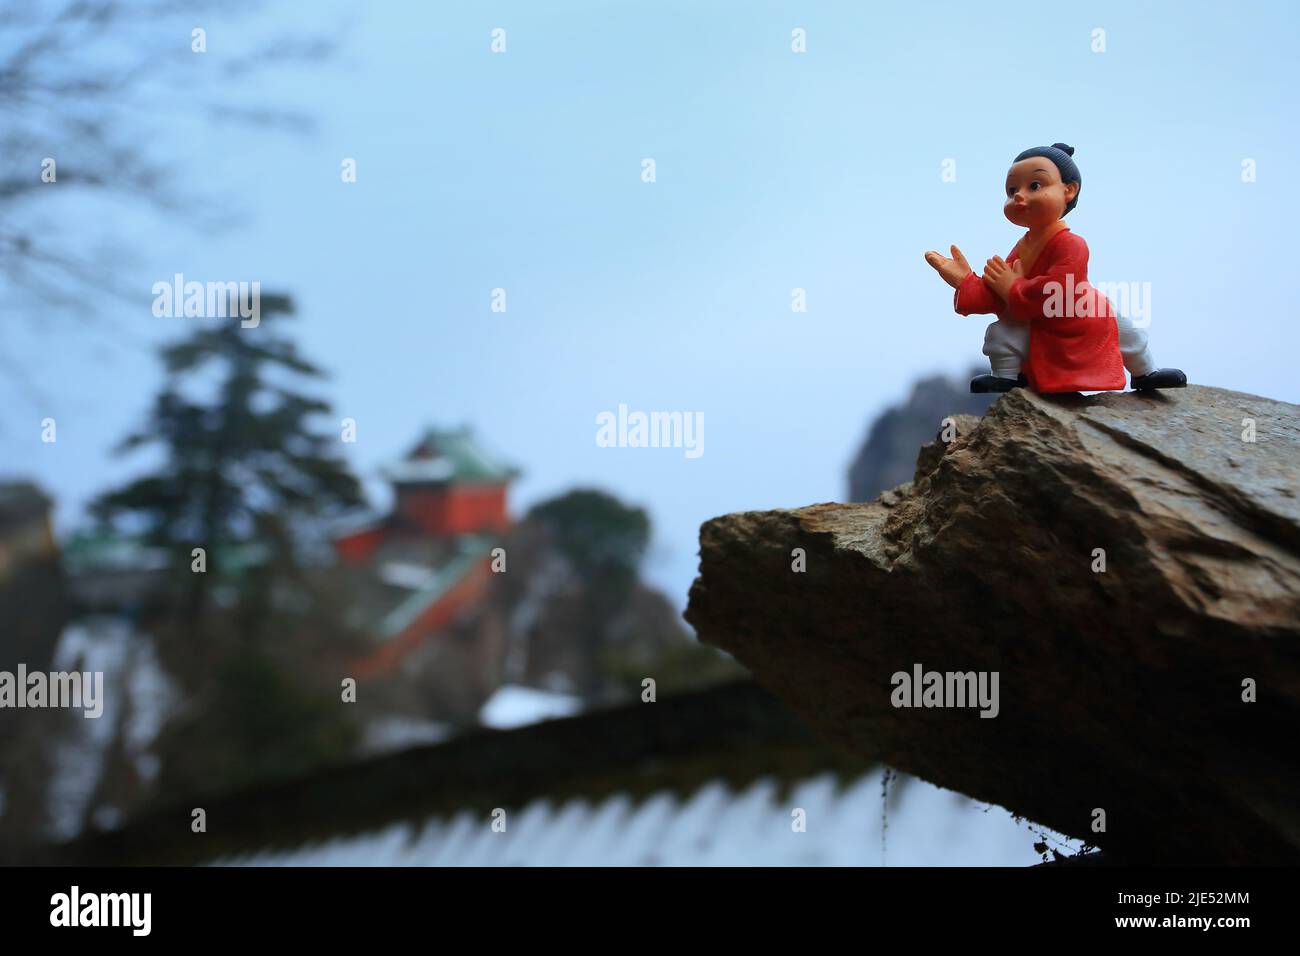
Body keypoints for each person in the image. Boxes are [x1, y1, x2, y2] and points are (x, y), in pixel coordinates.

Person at [924, 143, 1186, 394]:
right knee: (1000, 334)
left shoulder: (1072, 244)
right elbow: (997, 289)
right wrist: (966, 281)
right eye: (1011, 189)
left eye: (1035, 185)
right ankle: (1006, 376)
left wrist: (1013, 287)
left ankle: (1145, 371)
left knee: (1127, 333)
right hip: (1037, 318)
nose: (1018, 195)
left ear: (1069, 190)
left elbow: (1059, 289)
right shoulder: (1022, 247)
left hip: (1082, 314)